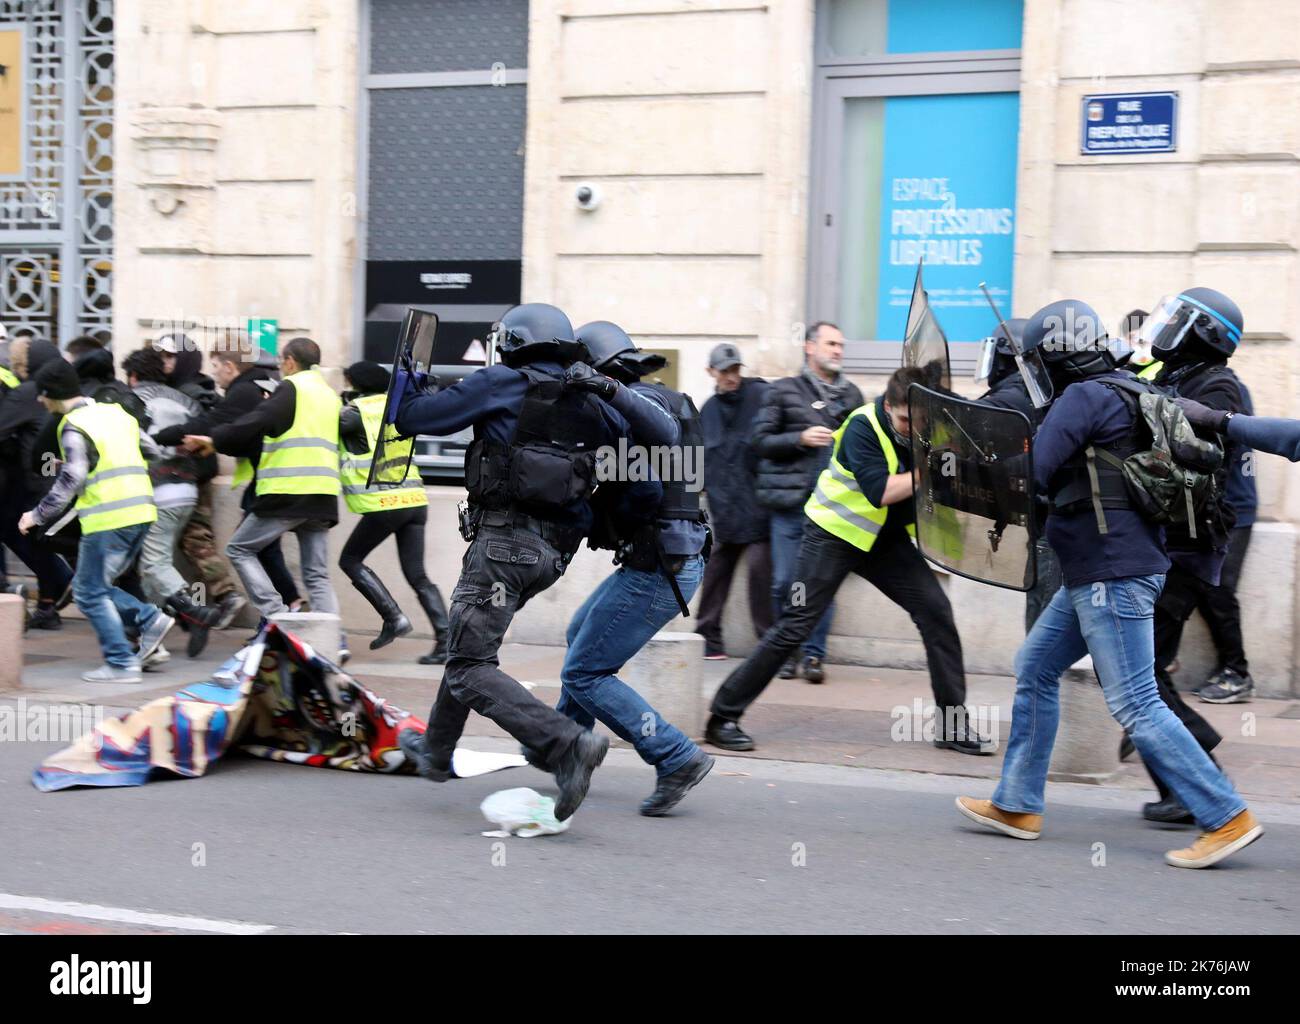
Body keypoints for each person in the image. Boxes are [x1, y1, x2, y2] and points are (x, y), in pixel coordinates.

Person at [955, 299, 1262, 869]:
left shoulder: (1082, 397)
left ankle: (1225, 816)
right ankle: (1018, 803)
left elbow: (1031, 475)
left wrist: (968, 466)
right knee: (1037, 667)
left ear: (1056, 356)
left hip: (1110, 572)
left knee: (1136, 701)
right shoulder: (1126, 389)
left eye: (1037, 361)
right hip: (1100, 569)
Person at [395, 303, 678, 822]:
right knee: (469, 645)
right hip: (553, 555)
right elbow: (648, 464)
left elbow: (412, 420)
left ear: (515, 341)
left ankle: (566, 743)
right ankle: (436, 752)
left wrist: (409, 381)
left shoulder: (503, 381)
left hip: (502, 546)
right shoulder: (598, 403)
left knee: (469, 665)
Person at [705, 365, 991, 756]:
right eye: (906, 420)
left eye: (918, 421)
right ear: (888, 406)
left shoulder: (923, 422)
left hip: (882, 540)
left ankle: (953, 727)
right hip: (831, 535)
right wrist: (935, 469)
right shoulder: (863, 426)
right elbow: (881, 491)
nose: (912, 428)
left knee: (937, 613)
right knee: (794, 625)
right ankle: (722, 717)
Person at [551, 321, 714, 815]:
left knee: (585, 671)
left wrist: (599, 517)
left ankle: (675, 755)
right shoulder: (672, 402)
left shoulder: (630, 412)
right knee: (581, 634)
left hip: (660, 562)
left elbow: (642, 490)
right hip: (671, 555)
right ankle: (562, 746)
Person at [1116, 288, 1253, 822]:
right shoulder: (1171, 375)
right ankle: (1185, 786)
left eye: (1177, 319)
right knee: (1139, 672)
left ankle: (1202, 781)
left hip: (1188, 550)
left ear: (1204, 332)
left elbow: (1194, 445)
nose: (1163, 326)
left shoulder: (1218, 386)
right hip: (1162, 544)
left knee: (1138, 672)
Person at [184, 337, 344, 656]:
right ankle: (333, 643)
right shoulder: (329, 394)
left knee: (240, 549)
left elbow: (258, 420)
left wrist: (215, 438)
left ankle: (277, 618)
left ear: (289, 362)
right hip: (322, 495)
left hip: (288, 491)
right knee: (316, 573)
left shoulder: (292, 388)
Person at [18, 360, 174, 682]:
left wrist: (36, 515)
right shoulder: (116, 413)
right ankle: (149, 621)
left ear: (54, 395)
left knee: (88, 592)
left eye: (42, 394)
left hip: (108, 515)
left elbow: (72, 478)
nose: (39, 401)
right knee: (95, 587)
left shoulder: (73, 424)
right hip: (141, 511)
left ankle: (121, 662)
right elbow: (153, 451)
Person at [751, 322, 862, 684]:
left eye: (841, 345)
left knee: (821, 584)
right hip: (790, 505)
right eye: (831, 343)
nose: (838, 351)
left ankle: (814, 655)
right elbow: (760, 441)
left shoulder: (852, 396)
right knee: (784, 582)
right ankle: (786, 652)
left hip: (833, 508)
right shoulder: (783, 391)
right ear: (810, 347)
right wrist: (799, 437)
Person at [336, 360, 450, 661]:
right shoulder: (398, 407)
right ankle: (446, 640)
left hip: (385, 503)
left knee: (350, 559)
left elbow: (325, 428)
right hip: (414, 500)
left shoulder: (354, 413)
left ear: (356, 383)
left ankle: (393, 617)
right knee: (418, 575)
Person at [122, 347, 224, 657]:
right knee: (152, 564)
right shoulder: (184, 400)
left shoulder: (131, 402)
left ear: (133, 376)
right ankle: (152, 638)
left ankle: (196, 613)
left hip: (157, 493)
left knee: (154, 563)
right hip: (187, 491)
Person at [694, 343, 772, 659]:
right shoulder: (707, 410)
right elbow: (697, 461)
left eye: (735, 369)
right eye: (725, 370)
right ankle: (708, 638)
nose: (732, 376)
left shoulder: (761, 396)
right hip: (724, 512)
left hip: (759, 511)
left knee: (760, 572)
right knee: (714, 572)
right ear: (711, 372)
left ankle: (770, 644)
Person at [0, 337, 75, 628]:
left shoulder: (28, 393)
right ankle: (49, 603)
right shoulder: (64, 389)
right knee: (40, 539)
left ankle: (58, 585)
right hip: (62, 475)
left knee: (25, 534)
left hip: (35, 480)